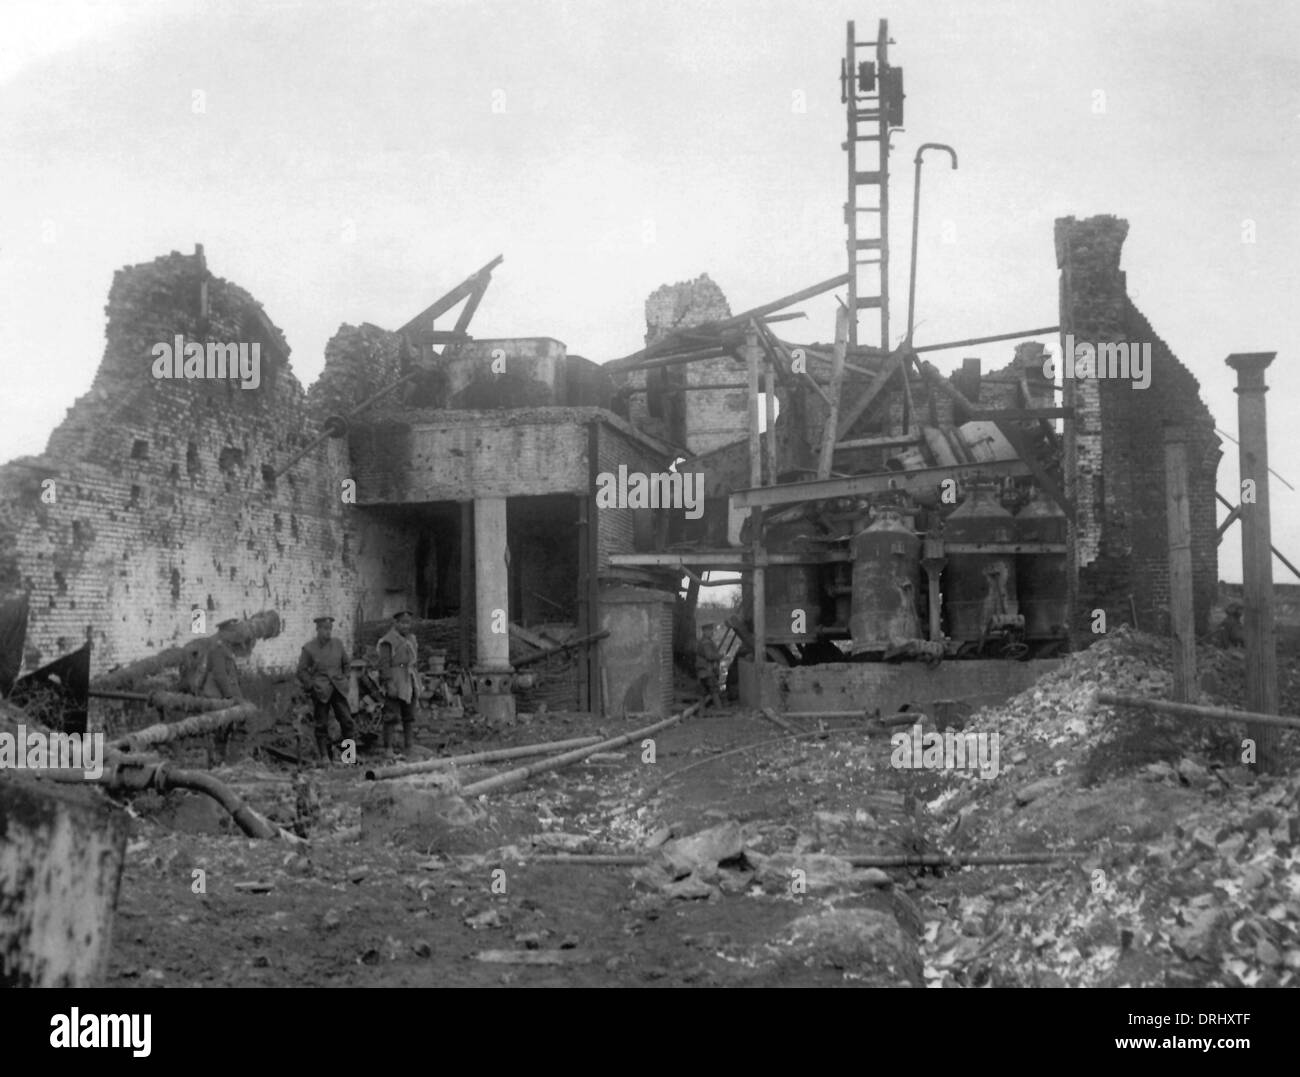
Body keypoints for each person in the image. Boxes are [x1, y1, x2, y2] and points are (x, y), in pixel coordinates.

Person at [296, 616, 356, 764]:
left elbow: (346, 664)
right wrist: (311, 685)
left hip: (338, 689)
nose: (327, 632)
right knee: (321, 724)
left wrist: (345, 678)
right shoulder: (309, 648)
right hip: (320, 690)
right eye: (324, 629)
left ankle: (349, 756)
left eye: (329, 629)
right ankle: (324, 757)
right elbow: (301, 671)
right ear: (317, 629)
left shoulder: (337, 644)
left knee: (347, 721)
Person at [377, 610, 419, 755]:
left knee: (409, 714)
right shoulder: (388, 641)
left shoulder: (412, 639)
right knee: (391, 715)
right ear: (396, 623)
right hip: (395, 677)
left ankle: (409, 746)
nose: (405, 626)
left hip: (409, 678)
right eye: (402, 623)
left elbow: (414, 661)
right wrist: (389, 682)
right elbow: (384, 663)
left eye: (408, 623)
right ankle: (388, 748)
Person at [695, 623, 723, 709]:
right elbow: (709, 656)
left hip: (702, 671)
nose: (712, 632)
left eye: (712, 630)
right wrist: (719, 656)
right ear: (704, 631)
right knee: (714, 689)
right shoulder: (706, 643)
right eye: (710, 630)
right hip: (707, 670)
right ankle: (719, 709)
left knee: (702, 692)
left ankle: (701, 711)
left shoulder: (703, 641)